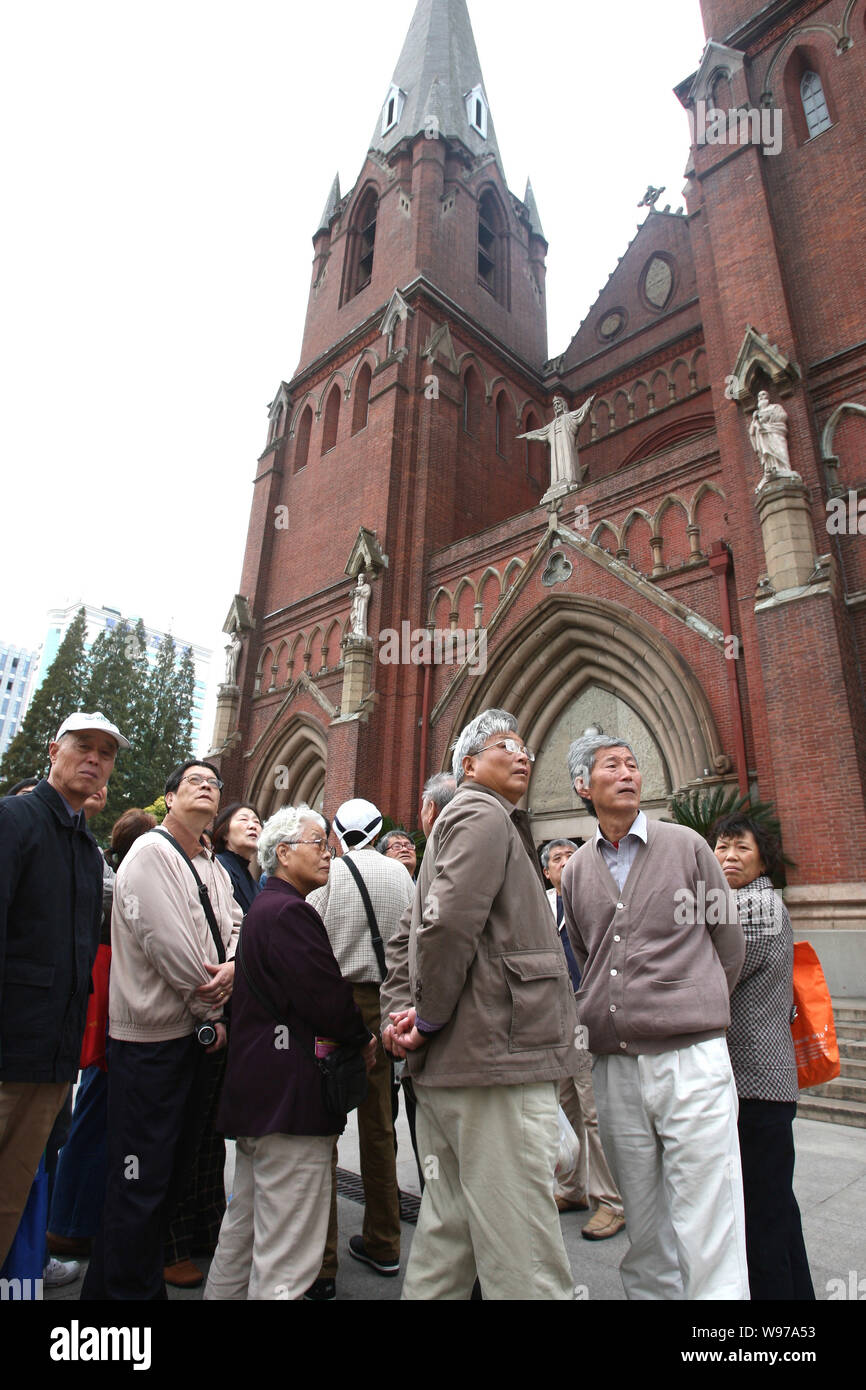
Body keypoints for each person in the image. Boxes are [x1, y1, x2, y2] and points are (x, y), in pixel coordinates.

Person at [382, 709, 579, 1301]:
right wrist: (431, 1015)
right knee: (525, 1253)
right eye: (504, 746)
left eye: (525, 748)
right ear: (467, 765)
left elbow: (411, 930)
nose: (522, 755)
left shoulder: (461, 819)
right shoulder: (481, 812)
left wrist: (411, 1014)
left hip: (460, 1066)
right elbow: (442, 927)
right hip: (494, 1061)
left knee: (449, 1239)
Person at [560, 731, 748, 1300]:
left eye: (633, 765)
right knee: (644, 1221)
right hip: (616, 1065)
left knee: (708, 1213)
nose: (627, 774)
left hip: (690, 1057)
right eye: (611, 766)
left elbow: (728, 943)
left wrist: (690, 1001)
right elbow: (588, 958)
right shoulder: (574, 871)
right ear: (582, 786)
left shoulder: (686, 845)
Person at [81, 760, 241, 1301]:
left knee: (164, 1183)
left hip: (192, 1041)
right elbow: (168, 946)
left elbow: (240, 927)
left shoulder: (213, 865)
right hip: (151, 1044)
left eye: (214, 784)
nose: (206, 787)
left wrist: (236, 967)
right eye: (193, 781)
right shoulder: (151, 854)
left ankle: (109, 1296)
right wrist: (211, 1011)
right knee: (139, 1182)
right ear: (168, 798)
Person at [204, 806, 374, 1300]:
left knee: (245, 1230)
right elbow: (326, 998)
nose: (330, 853)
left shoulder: (266, 907)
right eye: (318, 844)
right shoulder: (290, 912)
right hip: (291, 1100)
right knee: (288, 1255)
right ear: (283, 853)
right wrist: (362, 1039)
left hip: (261, 1098)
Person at [0, 711, 127, 1267]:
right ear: (54, 751)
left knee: (11, 1202)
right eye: (83, 746)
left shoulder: (84, 846)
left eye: (106, 752)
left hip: (54, 1061)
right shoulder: (15, 820)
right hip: (10, 1052)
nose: (94, 759)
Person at [305, 797, 414, 1298]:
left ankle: (322, 1265)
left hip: (336, 1007)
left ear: (336, 831)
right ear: (377, 829)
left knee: (323, 1129)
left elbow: (307, 940)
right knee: (379, 1126)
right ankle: (385, 1242)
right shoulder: (402, 876)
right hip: (389, 1006)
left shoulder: (328, 876)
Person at [712, 813, 814, 1301]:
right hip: (761, 1088)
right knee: (776, 1208)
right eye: (722, 849)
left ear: (762, 858)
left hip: (757, 1087)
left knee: (760, 1217)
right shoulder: (744, 902)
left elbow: (717, 976)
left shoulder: (753, 907)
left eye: (740, 849)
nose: (728, 857)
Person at [47, 809, 157, 1263]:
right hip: (112, 1003)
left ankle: (76, 1220)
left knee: (99, 1112)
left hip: (113, 1004)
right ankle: (67, 1226)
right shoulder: (119, 878)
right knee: (92, 1112)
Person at [541, 838, 625, 1240]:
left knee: (593, 1111)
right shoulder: (543, 906)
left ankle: (611, 1201)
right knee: (564, 1104)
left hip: (586, 1018)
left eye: (572, 855)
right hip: (554, 1021)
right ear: (546, 872)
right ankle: (571, 1189)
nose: (566, 861)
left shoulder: (595, 899)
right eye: (557, 858)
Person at [214, 802, 263, 914]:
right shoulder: (217, 866)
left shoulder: (254, 884)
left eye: (257, 822)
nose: (253, 826)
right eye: (243, 820)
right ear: (224, 833)